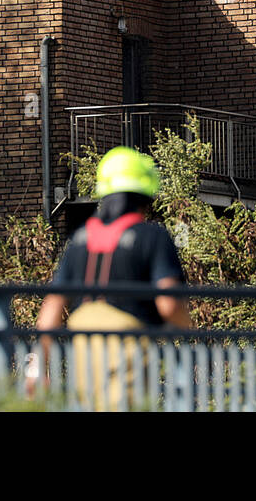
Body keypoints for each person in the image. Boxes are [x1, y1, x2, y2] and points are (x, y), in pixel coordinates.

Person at [33, 147, 190, 409]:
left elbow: (51, 308)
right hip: (129, 345)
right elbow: (169, 303)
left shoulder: (79, 239)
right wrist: (189, 331)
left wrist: (38, 365)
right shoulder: (153, 236)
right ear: (147, 193)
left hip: (83, 346)